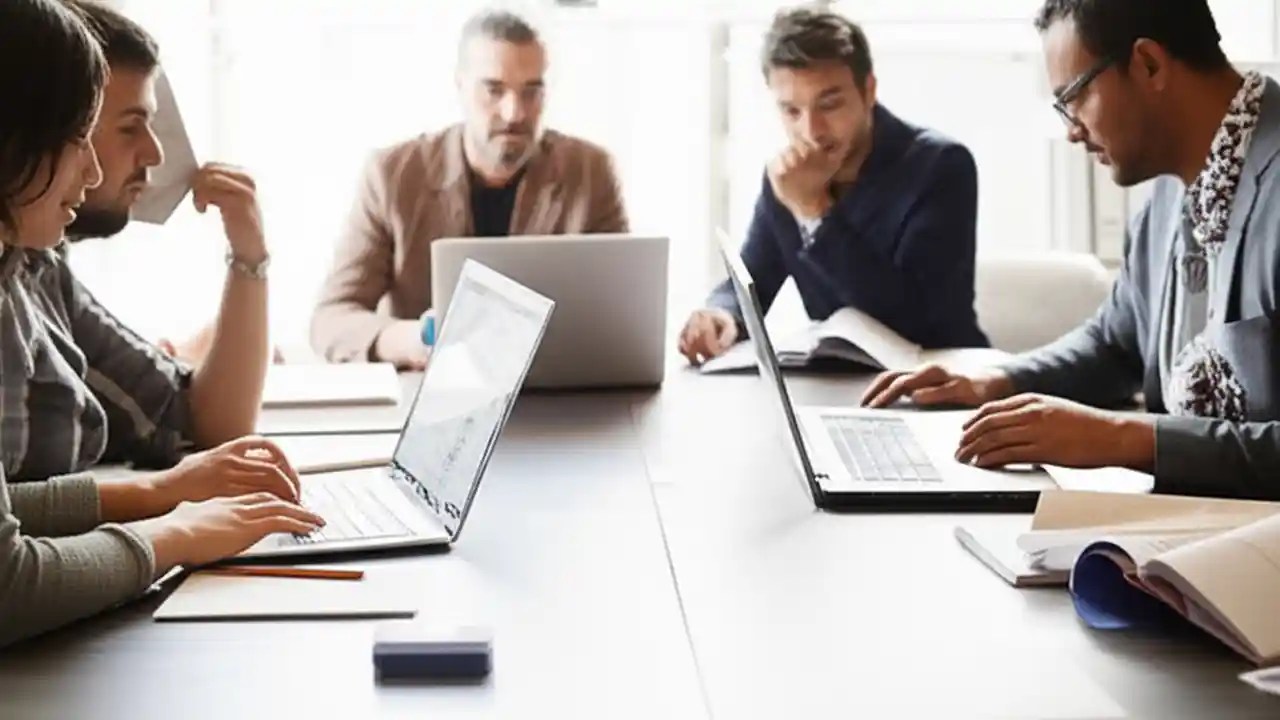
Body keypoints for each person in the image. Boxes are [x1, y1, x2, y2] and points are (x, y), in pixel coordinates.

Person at [0, 0, 322, 648]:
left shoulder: (25, 272)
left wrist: (160, 492)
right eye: (78, 136)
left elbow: (9, 512)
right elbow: (9, 588)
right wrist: (177, 533)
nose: (92, 170)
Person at [863, 0, 1280, 500]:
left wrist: (1120, 439)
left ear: (1148, 63)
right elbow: (1115, 344)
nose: (1072, 130)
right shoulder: (1170, 187)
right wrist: (994, 382)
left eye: (1075, 97)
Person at [310, 9, 629, 369]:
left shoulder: (591, 172)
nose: (514, 113)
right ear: (460, 86)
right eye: (494, 90)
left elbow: (620, 315)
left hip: (559, 393)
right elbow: (332, 318)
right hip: (428, 391)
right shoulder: (392, 176)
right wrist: (413, 340)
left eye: (531, 92)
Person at [679, 7, 987, 365]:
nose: (812, 131)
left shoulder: (941, 166)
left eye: (830, 104)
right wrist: (722, 315)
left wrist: (815, 212)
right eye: (791, 111)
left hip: (944, 379)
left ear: (868, 90)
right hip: (843, 382)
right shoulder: (787, 177)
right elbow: (750, 281)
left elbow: (913, 320)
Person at [64, 0, 278, 367]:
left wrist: (249, 255)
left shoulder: (43, 272)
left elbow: (193, 410)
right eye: (130, 127)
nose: (155, 154)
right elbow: (207, 417)